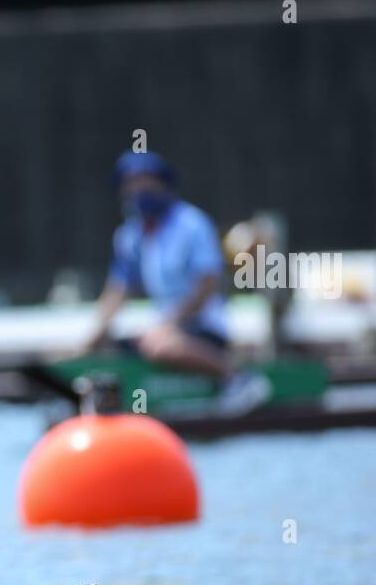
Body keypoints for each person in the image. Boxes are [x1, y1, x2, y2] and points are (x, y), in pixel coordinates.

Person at [84, 150, 271, 415]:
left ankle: (238, 379)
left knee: (159, 345)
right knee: (110, 346)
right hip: (163, 329)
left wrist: (172, 322)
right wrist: (92, 337)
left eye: (145, 181)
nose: (138, 190)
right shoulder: (129, 235)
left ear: (162, 184)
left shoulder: (191, 224)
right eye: (131, 184)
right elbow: (119, 290)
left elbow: (208, 283)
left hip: (203, 327)